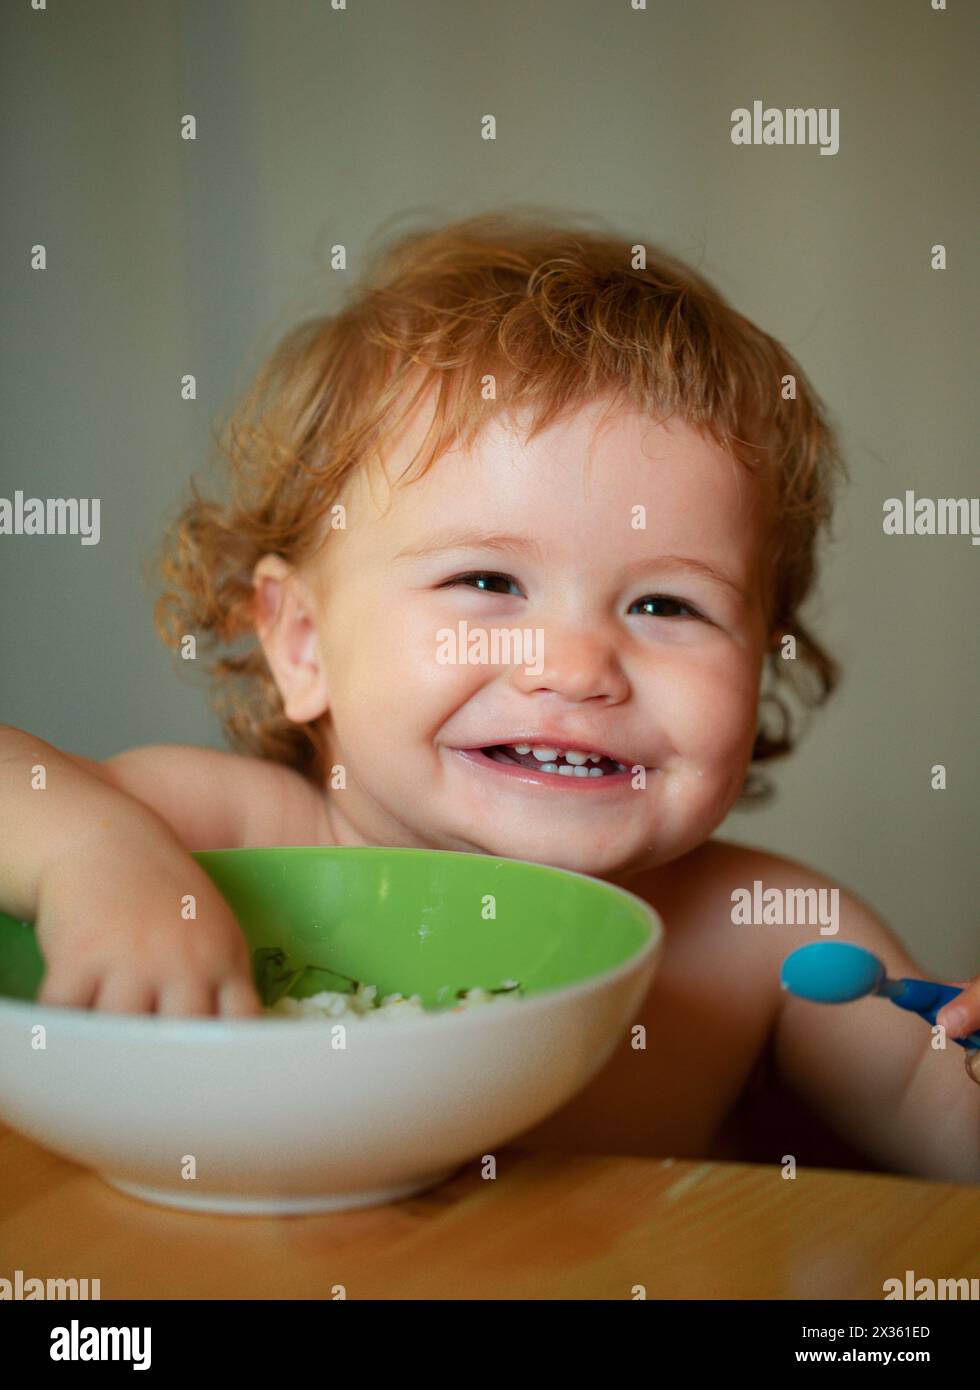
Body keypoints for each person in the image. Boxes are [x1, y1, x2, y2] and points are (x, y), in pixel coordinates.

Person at [2, 211, 976, 1181]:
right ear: (301, 643)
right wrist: (97, 857)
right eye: (489, 583)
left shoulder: (773, 934)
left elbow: (941, 1136)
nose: (575, 666)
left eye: (665, 602)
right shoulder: (232, 840)